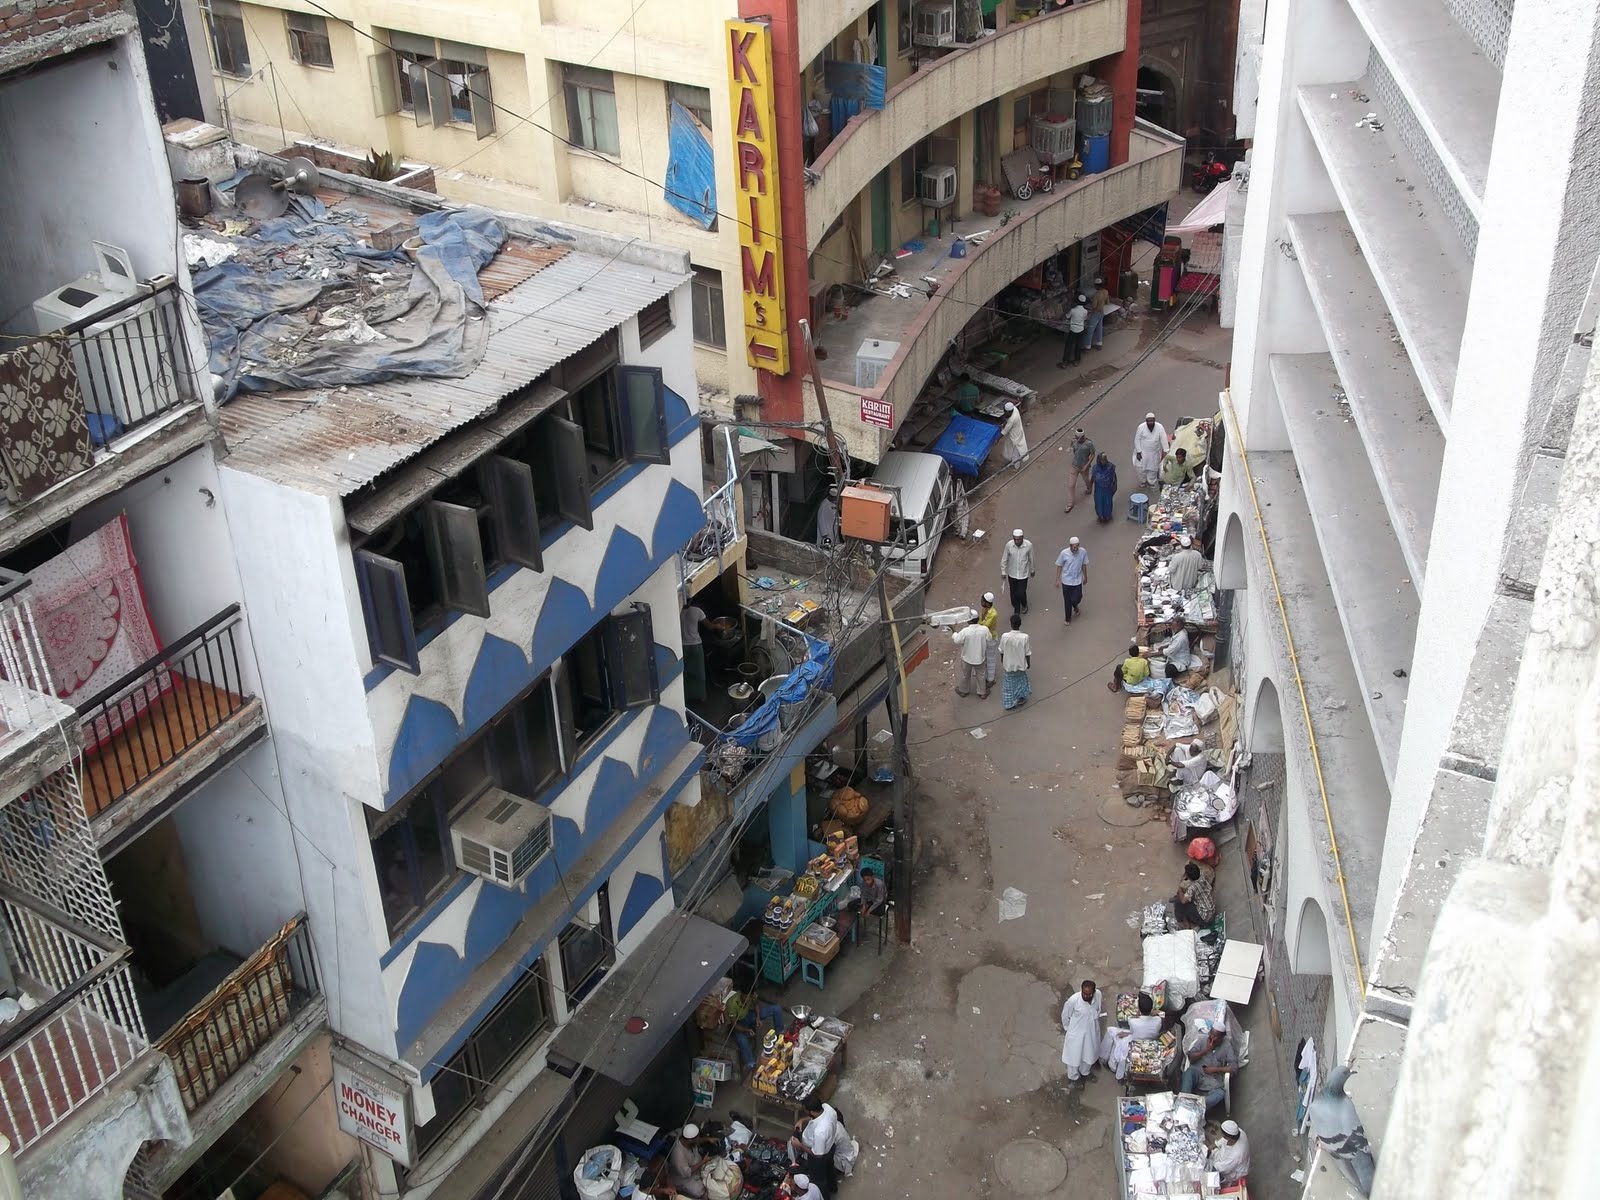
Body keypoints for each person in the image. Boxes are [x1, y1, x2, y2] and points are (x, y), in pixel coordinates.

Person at [1101, 992, 1165, 1080]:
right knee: (1122, 1036)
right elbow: (1142, 1028)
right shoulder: (1157, 1020)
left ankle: (1104, 1058)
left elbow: (1134, 1030)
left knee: (1111, 1031)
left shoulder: (1133, 1021)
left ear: (1139, 1009)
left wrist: (1137, 1016)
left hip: (1135, 1042)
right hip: (1149, 1041)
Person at [1181, 1028, 1239, 1111]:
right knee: (1188, 1074)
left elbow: (1234, 1067)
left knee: (1220, 1094)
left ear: (1222, 1038)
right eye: (1210, 1037)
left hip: (1213, 1081)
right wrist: (1206, 1050)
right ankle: (1184, 1101)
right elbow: (1191, 1058)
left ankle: (1196, 1108)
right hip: (1197, 1073)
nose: (1212, 1041)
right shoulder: (1201, 1039)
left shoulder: (1227, 1046)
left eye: (1215, 1039)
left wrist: (1216, 1069)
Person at [728, 995, 789, 1072]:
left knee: (776, 1009)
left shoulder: (752, 995)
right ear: (741, 994)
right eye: (746, 997)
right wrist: (747, 1030)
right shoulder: (732, 1003)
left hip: (749, 1015)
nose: (748, 999)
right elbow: (734, 1025)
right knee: (742, 1040)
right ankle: (751, 1064)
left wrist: (758, 1017)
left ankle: (780, 1035)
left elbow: (756, 1004)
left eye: (750, 997)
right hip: (739, 1023)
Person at [791, 1100, 840, 1194]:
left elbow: (818, 1155)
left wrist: (799, 1145)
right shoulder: (827, 1108)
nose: (805, 1112)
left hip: (819, 1157)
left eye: (806, 1111)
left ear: (812, 1112)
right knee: (829, 1170)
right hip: (830, 1147)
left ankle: (824, 1196)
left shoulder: (820, 1132)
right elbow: (815, 1117)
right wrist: (802, 1120)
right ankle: (833, 1188)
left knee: (819, 1181)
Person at [1060, 979, 1103, 1082]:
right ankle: (1073, 1077)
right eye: (1084, 993)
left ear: (1093, 992)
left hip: (1091, 1031)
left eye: (1089, 994)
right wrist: (1069, 1029)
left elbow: (1098, 1008)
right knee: (1074, 1056)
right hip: (1076, 1033)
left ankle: (1085, 1072)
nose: (1086, 996)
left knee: (1089, 1053)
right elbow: (1065, 1016)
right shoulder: (1073, 1001)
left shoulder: (1098, 995)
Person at [952, 616, 992, 698]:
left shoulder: (965, 631)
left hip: (967, 658)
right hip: (980, 658)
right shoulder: (984, 629)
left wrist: (954, 633)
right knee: (981, 675)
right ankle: (982, 692)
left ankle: (963, 691)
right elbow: (989, 638)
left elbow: (957, 640)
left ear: (969, 621)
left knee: (965, 675)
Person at [998, 612, 1032, 709]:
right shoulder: (1025, 637)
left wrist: (1002, 659)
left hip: (1008, 665)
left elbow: (1001, 650)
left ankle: (1009, 704)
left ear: (1011, 624)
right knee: (1020, 682)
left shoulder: (1005, 636)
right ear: (1020, 624)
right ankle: (1021, 698)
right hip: (1020, 665)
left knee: (1009, 686)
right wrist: (1028, 664)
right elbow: (1027, 653)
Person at [1173, 861, 1217, 928]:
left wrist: (1180, 888)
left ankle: (1184, 921)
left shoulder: (1193, 887)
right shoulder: (1202, 877)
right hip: (1211, 912)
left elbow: (1183, 901)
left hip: (1204, 918)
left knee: (1179, 902)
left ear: (1188, 876)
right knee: (1186, 898)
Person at [1132, 413, 1171, 490]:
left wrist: (1166, 450)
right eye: (1148, 421)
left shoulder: (1160, 427)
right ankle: (1143, 481)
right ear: (1146, 421)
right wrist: (1138, 451)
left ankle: (1151, 482)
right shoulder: (1141, 427)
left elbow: (1163, 438)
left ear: (1154, 420)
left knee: (1153, 469)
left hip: (1154, 453)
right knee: (1140, 469)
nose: (1150, 423)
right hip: (1142, 452)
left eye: (1151, 421)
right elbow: (1137, 440)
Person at [668, 1125, 708, 1197]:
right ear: (690, 1140)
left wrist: (708, 1139)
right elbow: (686, 1173)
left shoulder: (687, 1140)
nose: (698, 1140)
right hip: (685, 1179)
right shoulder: (678, 1155)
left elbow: (698, 1141)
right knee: (700, 1191)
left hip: (698, 1165)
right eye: (696, 1138)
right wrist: (704, 1161)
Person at [1000, 528, 1035, 613]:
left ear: (1022, 538)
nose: (1016, 541)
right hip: (1012, 573)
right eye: (1015, 539)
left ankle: (1024, 604)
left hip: (1023, 574)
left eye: (1018, 539)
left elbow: (1031, 558)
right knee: (1013, 593)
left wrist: (1032, 569)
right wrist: (1003, 571)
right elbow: (1004, 558)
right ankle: (1016, 609)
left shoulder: (1028, 545)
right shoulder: (1009, 545)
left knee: (1021, 593)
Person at [1055, 536, 1088, 624]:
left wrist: (1085, 577)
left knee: (1077, 598)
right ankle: (1067, 618)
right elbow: (1059, 566)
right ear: (1070, 546)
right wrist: (1057, 579)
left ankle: (1075, 606)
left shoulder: (1083, 552)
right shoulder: (1064, 553)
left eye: (1077, 547)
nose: (1075, 549)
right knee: (1067, 601)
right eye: (1074, 547)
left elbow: (1084, 565)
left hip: (1077, 580)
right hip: (1066, 580)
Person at [681, 603, 708, 703]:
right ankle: (701, 696)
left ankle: (687, 695)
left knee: (686, 671)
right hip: (696, 644)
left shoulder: (678, 612)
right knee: (699, 671)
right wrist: (717, 626)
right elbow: (709, 626)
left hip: (683, 645)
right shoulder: (696, 611)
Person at [1211, 1119, 1251, 1185]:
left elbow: (1223, 1169)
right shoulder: (1239, 1132)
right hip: (1228, 1159)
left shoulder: (1236, 1154)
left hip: (1234, 1172)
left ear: (1227, 1137)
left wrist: (1211, 1168)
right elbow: (1222, 1141)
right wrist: (1216, 1145)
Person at [1066, 428, 1096, 512]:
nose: (1076, 439)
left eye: (1077, 437)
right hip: (1074, 466)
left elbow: (1093, 454)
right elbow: (1072, 446)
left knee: (1086, 480)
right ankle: (1070, 503)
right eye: (1075, 437)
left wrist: (1087, 465)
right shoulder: (1074, 441)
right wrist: (1070, 449)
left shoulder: (1089, 443)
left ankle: (1089, 488)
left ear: (1082, 436)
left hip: (1084, 467)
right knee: (1071, 485)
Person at [1059, 295, 1089, 367]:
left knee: (1069, 345)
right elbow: (1085, 319)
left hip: (1073, 330)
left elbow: (1067, 316)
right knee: (1078, 345)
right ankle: (1076, 361)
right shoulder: (1085, 311)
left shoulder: (1073, 310)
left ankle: (1065, 362)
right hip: (1081, 329)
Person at [979, 591, 1001, 689]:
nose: (981, 602)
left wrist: (982, 617)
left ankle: (990, 680)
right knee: (985, 658)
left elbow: (985, 626)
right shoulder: (985, 610)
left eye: (983, 601)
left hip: (991, 638)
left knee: (990, 660)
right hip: (984, 638)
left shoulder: (993, 614)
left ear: (987, 603)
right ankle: (985, 676)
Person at [1091, 452, 1118, 523]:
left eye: (1105, 459)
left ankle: (1108, 516)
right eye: (1102, 460)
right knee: (1099, 503)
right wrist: (1090, 486)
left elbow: (1114, 477)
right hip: (1099, 490)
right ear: (1099, 460)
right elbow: (1093, 478)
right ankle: (1101, 517)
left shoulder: (1110, 467)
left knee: (1108, 503)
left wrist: (1115, 486)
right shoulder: (1095, 468)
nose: (1104, 461)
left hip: (1108, 489)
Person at [1001, 401, 1029, 468]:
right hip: (1014, 432)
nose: (1004, 413)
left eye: (1006, 412)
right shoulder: (1014, 409)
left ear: (1010, 412)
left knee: (1015, 453)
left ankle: (1016, 467)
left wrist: (996, 440)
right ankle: (1010, 460)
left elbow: (1004, 431)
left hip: (1015, 436)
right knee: (1010, 448)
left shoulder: (1012, 420)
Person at [1086, 276, 1111, 349]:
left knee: (1090, 329)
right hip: (1101, 312)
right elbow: (1107, 302)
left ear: (1096, 286)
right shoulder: (1106, 292)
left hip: (1095, 312)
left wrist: (1091, 301)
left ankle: (1087, 346)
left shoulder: (1096, 294)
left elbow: (1094, 306)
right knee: (1099, 328)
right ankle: (1099, 343)